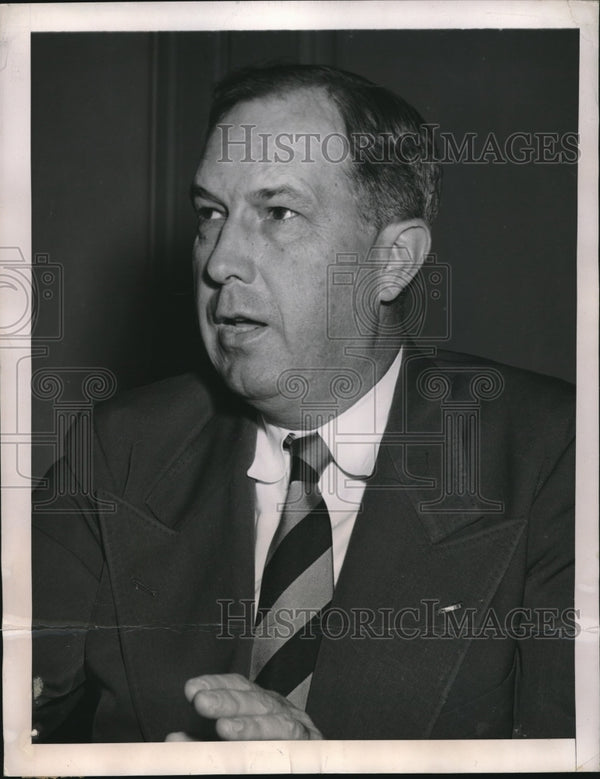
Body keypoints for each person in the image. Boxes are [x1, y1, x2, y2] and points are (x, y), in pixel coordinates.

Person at [32, 64, 575, 743]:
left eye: (278, 213)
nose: (219, 260)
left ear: (393, 261)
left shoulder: (556, 457)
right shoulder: (119, 451)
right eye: (210, 214)